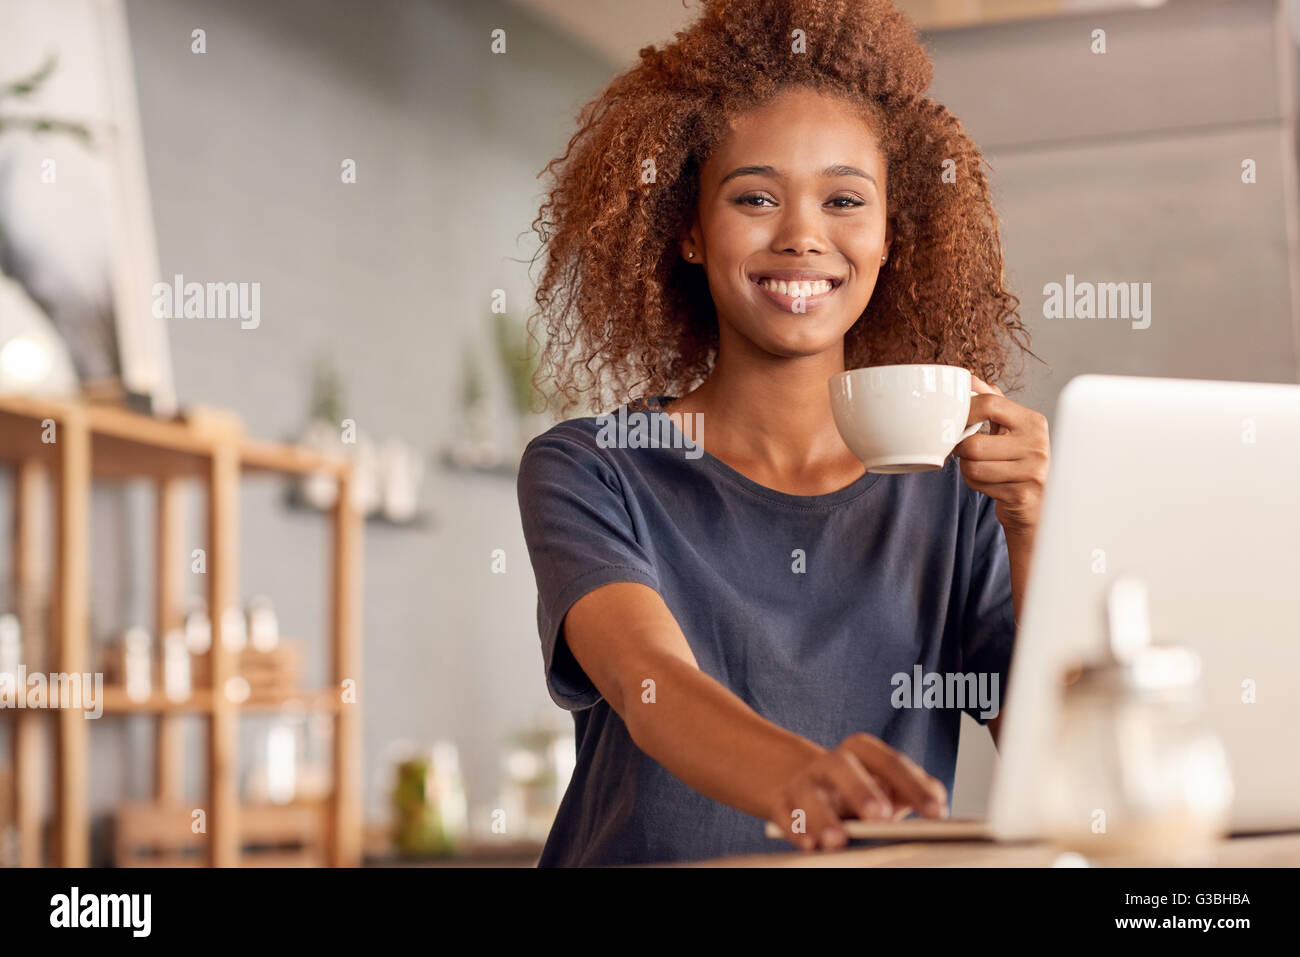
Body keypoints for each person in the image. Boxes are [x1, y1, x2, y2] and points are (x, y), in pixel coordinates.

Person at [516, 0, 1049, 867]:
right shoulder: (592, 468)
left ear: (889, 237)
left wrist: (1033, 527)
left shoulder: (961, 493)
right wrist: (803, 778)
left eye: (844, 199)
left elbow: (1049, 747)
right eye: (755, 196)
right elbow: (649, 686)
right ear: (688, 228)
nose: (803, 236)